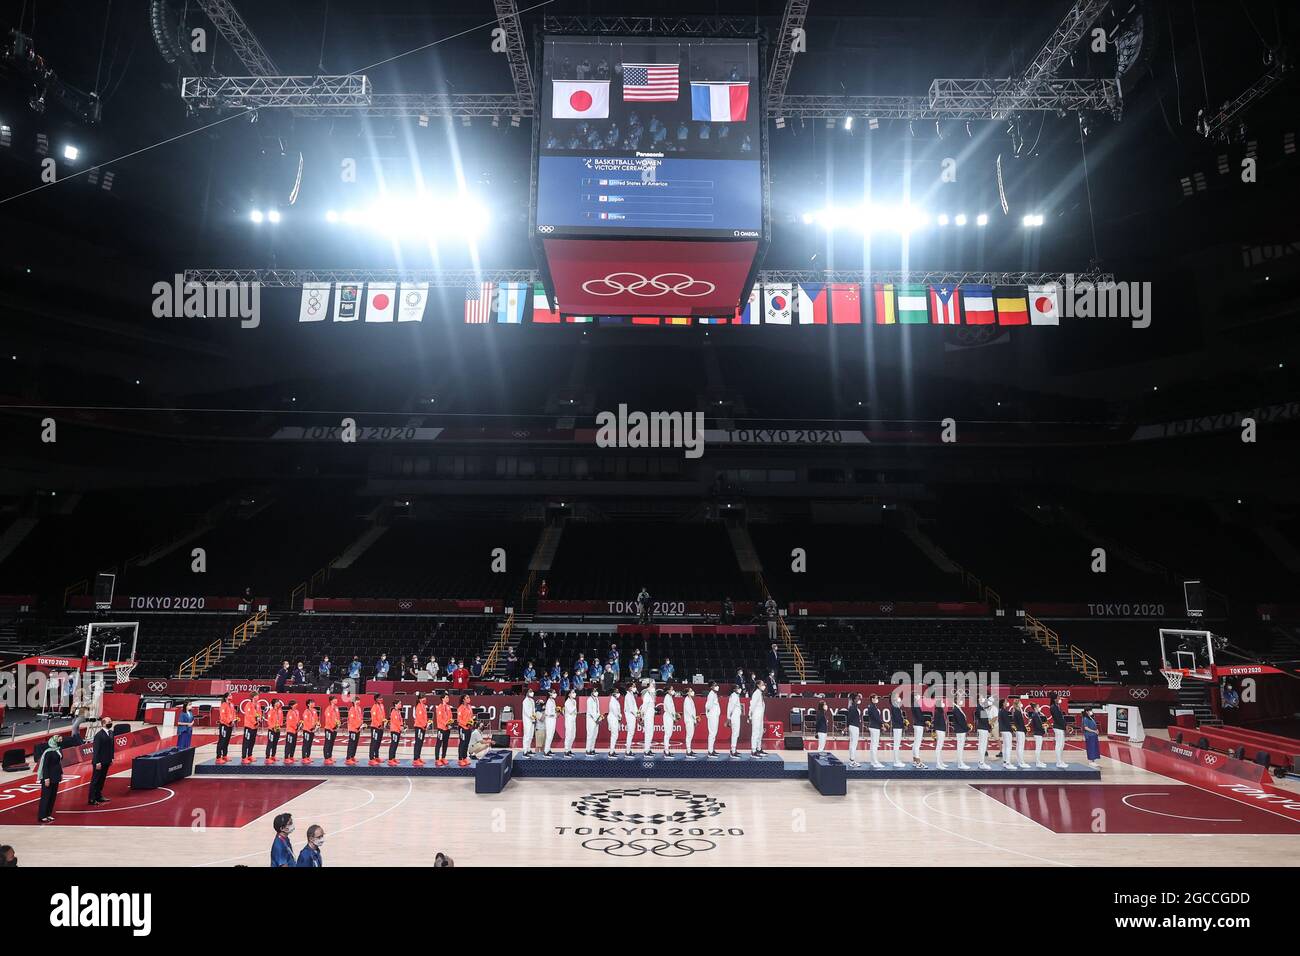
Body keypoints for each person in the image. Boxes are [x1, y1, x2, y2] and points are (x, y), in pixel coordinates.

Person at [36, 735, 63, 823]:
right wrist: (46, 778)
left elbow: (59, 763)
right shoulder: (48, 752)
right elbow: (45, 766)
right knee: (46, 796)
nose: (61, 741)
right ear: (54, 741)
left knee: (52, 796)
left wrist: (61, 773)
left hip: (56, 776)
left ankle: (48, 814)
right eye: (59, 739)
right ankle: (42, 815)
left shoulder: (58, 750)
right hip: (48, 777)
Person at [88, 717, 114, 804]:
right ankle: (91, 799)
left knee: (102, 780)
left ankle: (99, 796)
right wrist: (97, 762)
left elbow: (111, 747)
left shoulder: (110, 733)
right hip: (99, 762)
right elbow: (96, 750)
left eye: (111, 721)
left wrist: (111, 758)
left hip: (106, 761)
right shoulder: (98, 735)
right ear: (103, 724)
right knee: (95, 780)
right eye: (109, 722)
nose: (110, 722)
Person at [1049, 692, 1070, 769]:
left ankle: (1061, 760)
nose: (1060, 699)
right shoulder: (1053, 707)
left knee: (1062, 745)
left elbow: (1062, 717)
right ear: (1055, 699)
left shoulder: (1057, 706)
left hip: (1061, 727)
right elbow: (1058, 719)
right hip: (1058, 727)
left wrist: (1065, 725)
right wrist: (1065, 726)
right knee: (1058, 745)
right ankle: (1058, 762)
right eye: (1058, 698)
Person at [976, 695, 996, 769]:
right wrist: (989, 727)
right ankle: (981, 763)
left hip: (984, 728)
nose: (984, 699)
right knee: (982, 746)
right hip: (983, 729)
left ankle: (981, 762)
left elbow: (985, 720)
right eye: (982, 698)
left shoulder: (981, 708)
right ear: (979, 699)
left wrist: (989, 726)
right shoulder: (979, 708)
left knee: (983, 746)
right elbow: (984, 720)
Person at [951, 695, 970, 770]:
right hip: (960, 730)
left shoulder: (958, 708)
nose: (962, 701)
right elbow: (960, 721)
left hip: (961, 729)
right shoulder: (956, 709)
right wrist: (967, 728)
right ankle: (960, 763)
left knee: (961, 747)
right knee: (960, 747)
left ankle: (960, 762)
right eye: (960, 699)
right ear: (956, 700)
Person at [216, 692, 237, 764]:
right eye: (230, 695)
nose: (231, 697)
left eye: (231, 695)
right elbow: (222, 716)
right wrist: (229, 721)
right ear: (226, 697)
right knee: (222, 741)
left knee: (227, 741)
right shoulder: (223, 705)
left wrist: (234, 720)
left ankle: (224, 755)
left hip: (230, 725)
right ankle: (218, 758)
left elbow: (233, 713)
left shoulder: (231, 704)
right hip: (224, 725)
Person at [456, 695, 475, 767]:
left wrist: (471, 722)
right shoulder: (460, 708)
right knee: (462, 743)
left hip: (469, 728)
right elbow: (459, 720)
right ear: (463, 700)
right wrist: (466, 724)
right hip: (462, 728)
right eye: (467, 698)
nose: (469, 699)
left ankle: (464, 758)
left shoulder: (470, 707)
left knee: (466, 743)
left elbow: (471, 716)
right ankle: (460, 759)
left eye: (469, 697)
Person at [749, 680, 767, 756]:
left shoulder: (760, 693)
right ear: (758, 685)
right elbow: (752, 705)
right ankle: (753, 750)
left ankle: (758, 748)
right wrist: (749, 715)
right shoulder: (756, 693)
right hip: (756, 715)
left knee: (760, 733)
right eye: (762, 684)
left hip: (760, 716)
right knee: (755, 733)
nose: (764, 686)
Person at [867, 693, 885, 769]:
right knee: (874, 745)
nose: (877, 699)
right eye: (876, 698)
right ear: (872, 699)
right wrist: (882, 725)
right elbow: (876, 718)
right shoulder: (872, 707)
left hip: (873, 727)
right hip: (875, 727)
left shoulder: (872, 706)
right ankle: (875, 762)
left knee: (873, 745)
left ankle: (873, 761)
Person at [435, 692, 453, 766]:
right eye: (446, 697)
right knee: (439, 743)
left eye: (448, 697)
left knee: (445, 743)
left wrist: (450, 723)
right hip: (441, 728)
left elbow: (450, 716)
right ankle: (437, 759)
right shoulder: (439, 707)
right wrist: (446, 724)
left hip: (447, 729)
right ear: (442, 699)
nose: (448, 698)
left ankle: (443, 757)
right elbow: (439, 718)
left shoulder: (448, 707)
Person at [889, 692, 907, 768]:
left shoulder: (897, 705)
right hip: (897, 727)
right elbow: (897, 718)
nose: (899, 696)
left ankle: (897, 760)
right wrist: (903, 725)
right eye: (897, 696)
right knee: (896, 745)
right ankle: (896, 762)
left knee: (897, 744)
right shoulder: (894, 705)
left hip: (898, 726)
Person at [240, 696, 260, 764]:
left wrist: (259, 719)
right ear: (253, 697)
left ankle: (249, 755)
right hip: (249, 726)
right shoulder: (248, 704)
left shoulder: (258, 704)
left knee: (252, 741)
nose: (258, 697)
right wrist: (255, 722)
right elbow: (249, 716)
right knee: (246, 742)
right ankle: (243, 757)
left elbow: (259, 713)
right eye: (257, 696)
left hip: (255, 727)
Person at [368, 695, 387, 766]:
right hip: (375, 727)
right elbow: (374, 718)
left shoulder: (382, 705)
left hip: (381, 727)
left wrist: (384, 721)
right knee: (374, 742)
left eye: (381, 698)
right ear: (376, 699)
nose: (381, 699)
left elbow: (383, 715)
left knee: (378, 742)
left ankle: (376, 757)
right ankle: (371, 759)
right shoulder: (374, 707)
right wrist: (378, 724)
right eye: (379, 698)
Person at [910, 693, 927, 769]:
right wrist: (925, 724)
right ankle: (918, 762)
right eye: (917, 695)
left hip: (917, 724)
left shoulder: (914, 704)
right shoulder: (915, 704)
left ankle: (914, 761)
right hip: (919, 725)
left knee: (915, 743)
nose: (919, 696)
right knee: (917, 744)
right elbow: (919, 716)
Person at [998, 699, 1016, 771]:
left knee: (1005, 746)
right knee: (1008, 747)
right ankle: (1008, 763)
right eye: (1006, 702)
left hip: (1003, 730)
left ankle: (1005, 762)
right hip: (1006, 730)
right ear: (1003, 703)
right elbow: (1007, 722)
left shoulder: (1002, 711)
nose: (1007, 703)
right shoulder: (1003, 711)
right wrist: (1012, 730)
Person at [845, 693, 862, 767]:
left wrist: (848, 726)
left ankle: (852, 760)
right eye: (857, 698)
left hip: (853, 727)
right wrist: (847, 726)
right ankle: (852, 761)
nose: (859, 699)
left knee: (852, 744)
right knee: (853, 744)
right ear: (854, 699)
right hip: (854, 727)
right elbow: (849, 718)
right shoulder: (853, 707)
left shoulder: (853, 707)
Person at [411, 693, 429, 766]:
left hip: (423, 727)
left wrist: (426, 724)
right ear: (419, 699)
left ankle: (418, 757)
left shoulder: (423, 706)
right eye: (423, 698)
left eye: (425, 697)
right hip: (419, 727)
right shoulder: (418, 706)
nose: (424, 699)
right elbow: (419, 718)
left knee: (421, 743)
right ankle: (415, 759)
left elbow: (424, 717)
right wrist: (423, 725)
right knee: (418, 743)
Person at [322, 696, 340, 765]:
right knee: (328, 743)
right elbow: (328, 720)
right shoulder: (328, 709)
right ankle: (326, 758)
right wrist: (332, 727)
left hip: (335, 728)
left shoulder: (336, 708)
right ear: (331, 701)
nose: (336, 700)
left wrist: (338, 725)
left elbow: (338, 717)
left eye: (336, 698)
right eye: (335, 699)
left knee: (332, 743)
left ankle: (329, 756)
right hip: (329, 729)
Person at [345, 697, 364, 765]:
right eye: (356, 700)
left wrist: (361, 724)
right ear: (353, 702)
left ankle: (352, 756)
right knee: (351, 743)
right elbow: (352, 720)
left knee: (355, 743)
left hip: (358, 729)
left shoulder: (359, 708)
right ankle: (348, 758)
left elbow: (361, 717)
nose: (358, 701)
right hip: (353, 729)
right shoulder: (352, 709)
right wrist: (357, 726)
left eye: (359, 700)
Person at [1012, 699, 1030, 769]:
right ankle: (1021, 762)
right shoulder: (1017, 712)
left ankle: (1020, 761)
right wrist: (1025, 731)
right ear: (1018, 704)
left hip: (1019, 730)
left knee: (1019, 747)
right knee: (1020, 747)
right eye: (1020, 703)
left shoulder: (1016, 711)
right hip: (1020, 730)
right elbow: (1021, 723)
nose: (1021, 703)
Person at [727, 682, 744, 756]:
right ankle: (732, 751)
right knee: (735, 733)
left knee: (736, 733)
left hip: (736, 717)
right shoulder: (733, 696)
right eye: (737, 688)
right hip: (734, 717)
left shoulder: (736, 696)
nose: (739, 689)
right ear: (734, 689)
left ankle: (734, 749)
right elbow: (730, 708)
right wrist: (729, 718)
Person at [933, 694, 949, 769]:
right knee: (938, 747)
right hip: (939, 730)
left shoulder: (941, 711)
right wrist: (935, 731)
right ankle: (937, 764)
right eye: (942, 702)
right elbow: (936, 722)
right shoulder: (937, 711)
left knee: (941, 746)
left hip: (942, 729)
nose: (943, 703)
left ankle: (941, 762)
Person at [264, 699, 283, 763]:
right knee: (270, 743)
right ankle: (267, 758)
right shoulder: (271, 711)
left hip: (278, 729)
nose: (279, 703)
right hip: (271, 730)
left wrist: (280, 726)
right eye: (277, 702)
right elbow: (269, 721)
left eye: (279, 702)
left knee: (275, 743)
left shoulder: (280, 711)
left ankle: (273, 756)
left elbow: (281, 719)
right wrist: (273, 727)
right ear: (274, 704)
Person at [705, 681, 721, 756]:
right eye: (715, 685)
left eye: (716, 685)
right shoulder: (711, 694)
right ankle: (710, 751)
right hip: (712, 716)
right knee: (712, 733)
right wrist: (709, 714)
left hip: (715, 716)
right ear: (711, 687)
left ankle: (712, 749)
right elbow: (708, 706)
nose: (717, 686)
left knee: (714, 733)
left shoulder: (715, 694)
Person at [640, 683, 656, 755]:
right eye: (652, 686)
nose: (653, 687)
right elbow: (644, 707)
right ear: (648, 687)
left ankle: (648, 749)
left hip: (651, 716)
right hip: (647, 716)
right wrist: (642, 716)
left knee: (651, 732)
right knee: (648, 733)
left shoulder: (651, 696)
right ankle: (646, 751)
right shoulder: (646, 695)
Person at [301, 699, 319, 764]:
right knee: (306, 744)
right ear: (308, 704)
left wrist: (317, 724)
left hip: (312, 730)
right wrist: (310, 728)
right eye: (311, 703)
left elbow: (316, 719)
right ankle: (304, 758)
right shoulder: (306, 712)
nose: (313, 703)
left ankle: (308, 756)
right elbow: (306, 722)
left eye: (313, 702)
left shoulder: (314, 711)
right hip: (307, 730)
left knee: (310, 744)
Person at [387, 698, 404, 766]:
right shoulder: (393, 712)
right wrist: (400, 728)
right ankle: (390, 759)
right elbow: (396, 722)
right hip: (394, 730)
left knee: (396, 744)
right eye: (399, 703)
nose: (400, 704)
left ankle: (393, 758)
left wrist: (402, 726)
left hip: (398, 730)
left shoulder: (398, 711)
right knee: (393, 744)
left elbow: (400, 720)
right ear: (396, 705)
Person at [623, 683, 639, 755]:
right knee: (630, 733)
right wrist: (637, 715)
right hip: (630, 715)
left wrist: (637, 714)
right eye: (633, 686)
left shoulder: (631, 694)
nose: (635, 687)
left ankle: (628, 750)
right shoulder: (628, 696)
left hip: (632, 715)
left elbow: (634, 706)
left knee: (631, 733)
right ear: (629, 688)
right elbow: (631, 708)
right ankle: (627, 751)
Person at [605, 685, 621, 757]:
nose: (618, 693)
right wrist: (619, 716)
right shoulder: (612, 701)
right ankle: (611, 752)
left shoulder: (615, 700)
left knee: (615, 735)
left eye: (618, 692)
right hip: (613, 718)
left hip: (614, 718)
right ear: (613, 693)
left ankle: (612, 751)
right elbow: (615, 711)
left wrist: (619, 716)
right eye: (616, 692)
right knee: (614, 735)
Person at [584, 687, 601, 755]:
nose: (596, 692)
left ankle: (592, 749)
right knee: (590, 735)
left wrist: (599, 717)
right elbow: (590, 711)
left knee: (595, 735)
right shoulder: (589, 700)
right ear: (591, 692)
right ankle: (588, 750)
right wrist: (596, 718)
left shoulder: (597, 699)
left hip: (596, 719)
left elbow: (598, 709)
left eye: (596, 690)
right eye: (594, 691)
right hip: (591, 720)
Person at [521, 688, 537, 757]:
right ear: (527, 693)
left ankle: (529, 749)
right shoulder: (525, 701)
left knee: (531, 736)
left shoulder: (532, 700)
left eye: (532, 691)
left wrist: (534, 717)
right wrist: (532, 717)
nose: (532, 692)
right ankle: (525, 751)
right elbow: (527, 712)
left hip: (532, 720)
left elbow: (533, 710)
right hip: (527, 720)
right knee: (527, 736)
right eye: (530, 691)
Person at [562, 689, 578, 756]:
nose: (574, 694)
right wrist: (574, 705)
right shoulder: (567, 702)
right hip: (568, 720)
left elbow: (575, 712)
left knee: (573, 735)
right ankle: (566, 751)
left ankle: (569, 749)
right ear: (569, 694)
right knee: (568, 735)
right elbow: (571, 711)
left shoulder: (574, 701)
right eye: (573, 692)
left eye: (574, 692)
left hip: (573, 720)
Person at [662, 686, 677, 756]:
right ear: (668, 691)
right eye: (671, 689)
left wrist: (674, 717)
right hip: (668, 716)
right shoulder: (667, 697)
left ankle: (666, 749)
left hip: (670, 716)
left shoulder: (670, 697)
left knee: (669, 733)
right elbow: (669, 709)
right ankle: (666, 751)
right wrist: (674, 717)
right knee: (667, 734)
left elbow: (673, 709)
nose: (673, 690)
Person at [683, 687, 698, 756]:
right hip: (689, 720)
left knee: (691, 735)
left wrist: (695, 719)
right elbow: (690, 712)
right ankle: (688, 751)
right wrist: (694, 719)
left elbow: (693, 711)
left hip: (691, 720)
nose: (692, 692)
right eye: (691, 691)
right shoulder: (686, 700)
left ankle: (689, 749)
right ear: (687, 693)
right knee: (689, 735)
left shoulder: (690, 699)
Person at [543, 689, 558, 756]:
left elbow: (554, 710)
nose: (555, 694)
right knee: (549, 735)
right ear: (550, 694)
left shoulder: (553, 701)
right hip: (549, 720)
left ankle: (548, 749)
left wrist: (556, 712)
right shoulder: (549, 701)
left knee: (551, 735)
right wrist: (555, 713)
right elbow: (548, 713)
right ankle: (546, 751)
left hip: (553, 719)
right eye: (554, 692)